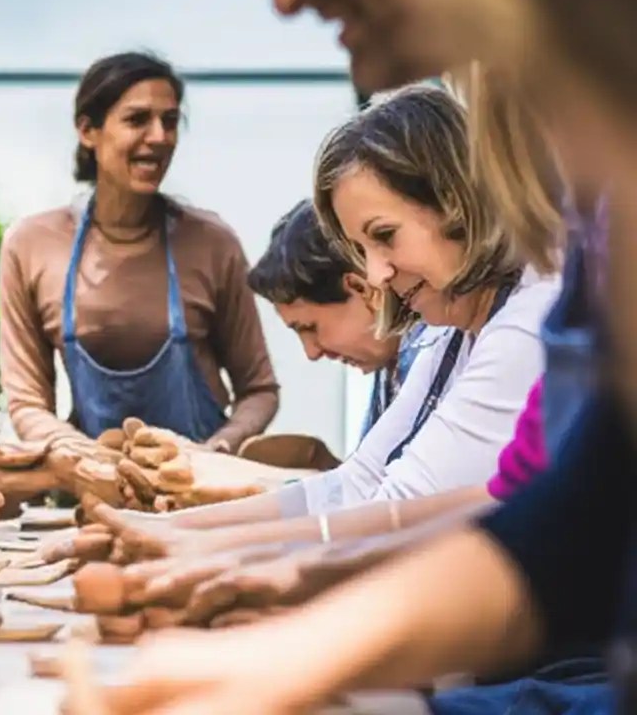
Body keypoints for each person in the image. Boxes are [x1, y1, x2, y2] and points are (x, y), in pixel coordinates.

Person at [115, 86, 558, 534]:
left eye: (384, 236)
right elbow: (357, 483)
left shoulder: (524, 326)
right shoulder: (452, 334)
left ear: (457, 202)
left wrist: (188, 545)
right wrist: (165, 533)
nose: (378, 275)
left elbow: (392, 515)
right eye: (362, 249)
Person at [0, 51, 279, 454]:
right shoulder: (31, 245)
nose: (160, 137)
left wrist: (217, 452)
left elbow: (259, 389)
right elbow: (27, 403)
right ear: (88, 130)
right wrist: (89, 462)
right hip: (92, 484)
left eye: (169, 121)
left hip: (205, 489)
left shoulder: (212, 242)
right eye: (137, 120)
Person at [248, 199, 446, 438]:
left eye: (310, 328)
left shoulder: (437, 353)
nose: (312, 352)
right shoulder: (393, 364)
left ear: (361, 289)